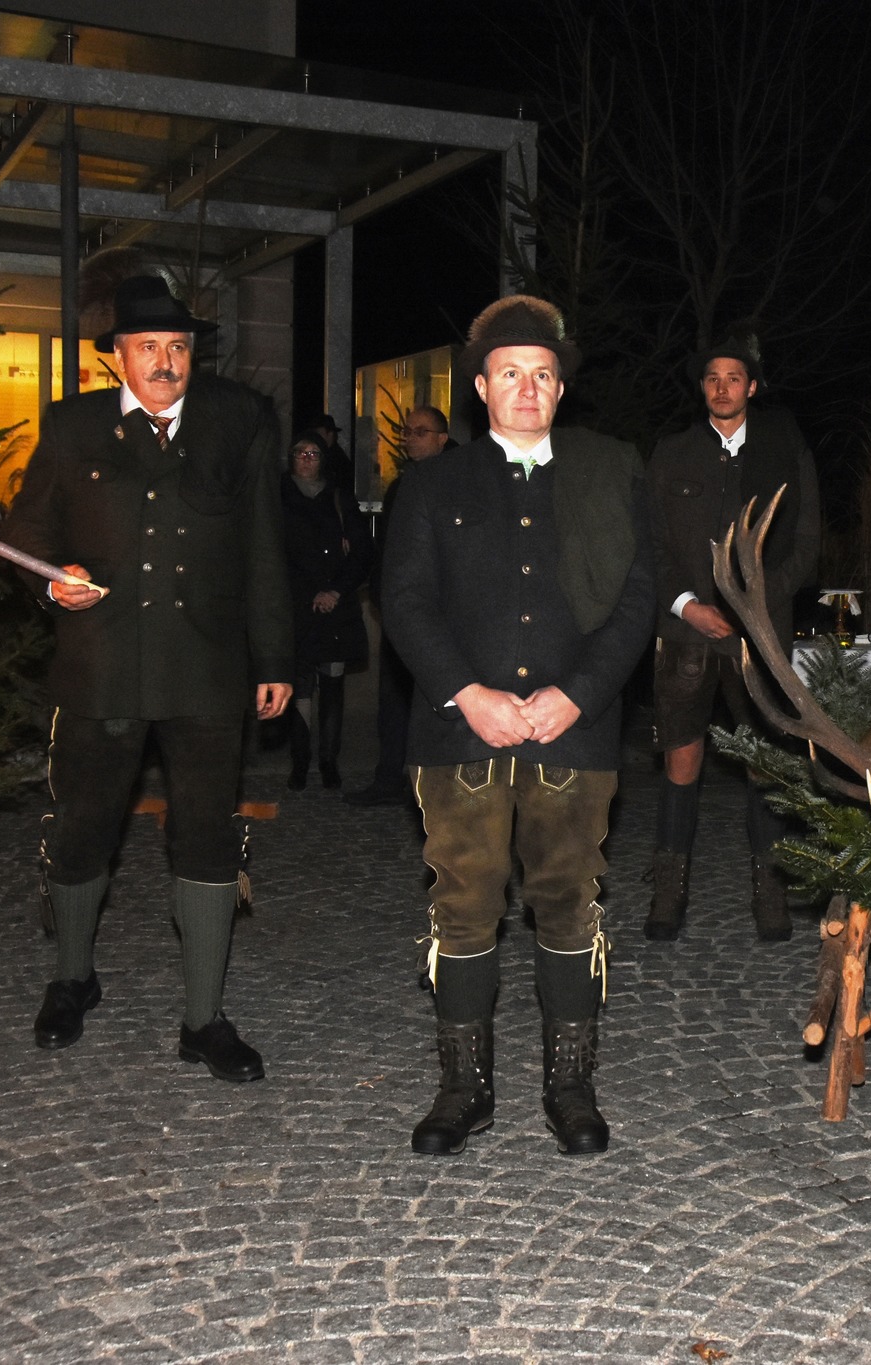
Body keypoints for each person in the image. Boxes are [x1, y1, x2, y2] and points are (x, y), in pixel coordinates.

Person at [2, 274, 292, 1082]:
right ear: (116, 357)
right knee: (82, 826)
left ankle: (204, 1019)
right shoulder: (72, 427)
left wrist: (274, 658)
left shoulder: (239, 421)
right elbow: (28, 530)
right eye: (148, 348)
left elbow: (266, 544)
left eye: (177, 348)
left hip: (206, 670)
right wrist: (50, 579)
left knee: (205, 836)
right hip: (101, 665)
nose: (165, 363)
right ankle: (71, 978)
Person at [383, 295, 654, 1158]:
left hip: (576, 734)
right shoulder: (431, 483)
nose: (528, 388)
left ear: (560, 389)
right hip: (461, 737)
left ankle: (570, 1088)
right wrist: (469, 692)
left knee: (570, 906)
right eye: (510, 374)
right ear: (481, 387)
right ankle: (464, 1089)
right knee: (463, 907)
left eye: (542, 375)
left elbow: (638, 599)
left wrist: (579, 693)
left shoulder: (611, 474)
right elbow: (405, 603)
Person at [646, 330, 821, 942]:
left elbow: (807, 546)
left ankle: (769, 892)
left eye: (734, 378)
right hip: (686, 631)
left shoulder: (783, 452)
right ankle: (669, 892)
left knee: (763, 766)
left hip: (760, 636)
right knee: (682, 759)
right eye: (712, 378)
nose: (723, 388)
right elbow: (653, 546)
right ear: (703, 388)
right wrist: (688, 605)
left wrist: (757, 602)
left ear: (752, 387)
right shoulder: (671, 452)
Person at [346, 405, 451, 807]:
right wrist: (379, 590)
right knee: (392, 699)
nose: (410, 438)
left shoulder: (456, 482)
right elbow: (389, 550)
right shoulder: (401, 486)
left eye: (420, 432)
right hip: (400, 610)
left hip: (441, 613)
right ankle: (389, 778)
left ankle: (435, 785)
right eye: (408, 432)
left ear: (442, 438)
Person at [281, 430, 373, 790]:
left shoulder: (338, 498)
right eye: (300, 451)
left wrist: (335, 590)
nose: (307, 458)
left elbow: (363, 551)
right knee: (299, 688)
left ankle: (329, 760)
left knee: (332, 686)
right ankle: (300, 761)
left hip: (335, 607)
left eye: (313, 453)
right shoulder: (278, 496)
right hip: (296, 607)